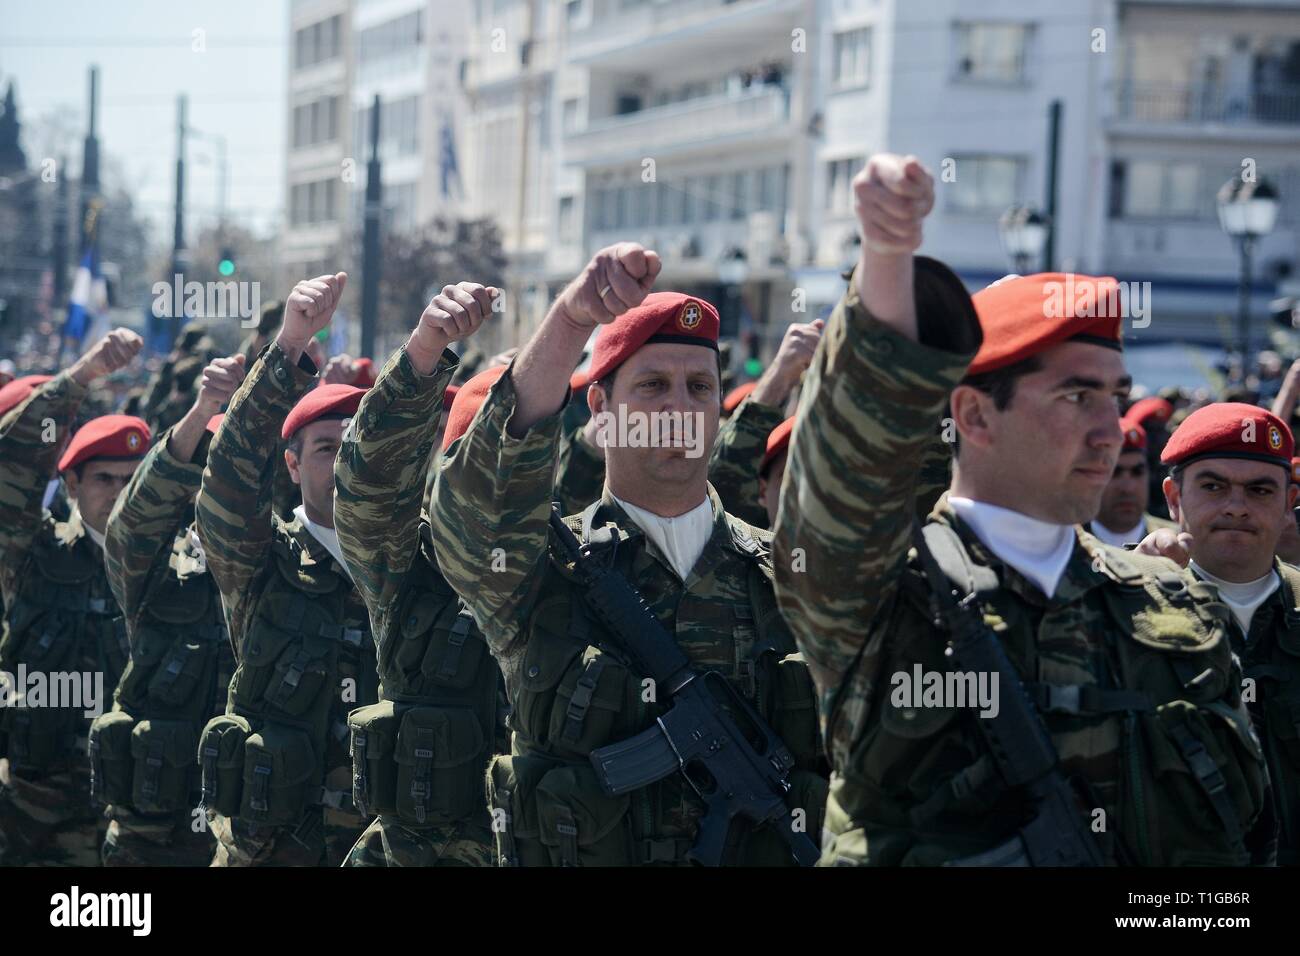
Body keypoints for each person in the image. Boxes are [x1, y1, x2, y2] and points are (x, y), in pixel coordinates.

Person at [771, 152, 1267, 866]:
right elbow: (846, 468)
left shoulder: (1174, 607)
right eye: (1075, 397)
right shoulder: (874, 595)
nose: (1111, 430)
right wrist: (887, 255)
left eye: (1114, 398)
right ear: (974, 414)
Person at [431, 245, 828, 866]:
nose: (678, 408)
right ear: (602, 410)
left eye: (699, 387)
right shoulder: (541, 577)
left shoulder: (788, 578)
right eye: (652, 385)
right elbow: (477, 502)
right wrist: (570, 320)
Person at [194, 274, 378, 866]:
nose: (345, 460)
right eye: (328, 448)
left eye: (356, 446)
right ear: (293, 467)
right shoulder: (265, 560)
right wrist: (291, 343)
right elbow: (228, 479)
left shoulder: (413, 561)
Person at [332, 283, 504, 867]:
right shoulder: (410, 564)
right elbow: (368, 482)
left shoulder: (583, 567)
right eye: (480, 457)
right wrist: (426, 350)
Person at [0, 328, 147, 865]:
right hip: (39, 817)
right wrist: (79, 378)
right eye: (103, 478)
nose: (118, 491)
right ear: (71, 487)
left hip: (145, 821)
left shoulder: (180, 567)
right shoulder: (35, 554)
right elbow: (12, 468)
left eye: (132, 478)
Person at [92, 356, 246, 866]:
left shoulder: (289, 566)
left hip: (256, 838)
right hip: (154, 839)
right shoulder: (157, 569)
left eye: (240, 474)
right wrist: (204, 409)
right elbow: (132, 522)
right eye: (213, 470)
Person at [1136, 402, 1300, 863]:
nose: (1236, 507)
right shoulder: (1122, 611)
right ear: (1173, 497)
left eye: (1260, 490)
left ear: (1289, 503)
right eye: (1213, 486)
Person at [1086, 412, 1176, 546]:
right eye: (1114, 473)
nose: (1128, 488)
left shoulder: (1175, 543)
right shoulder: (1066, 545)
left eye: (1137, 472)